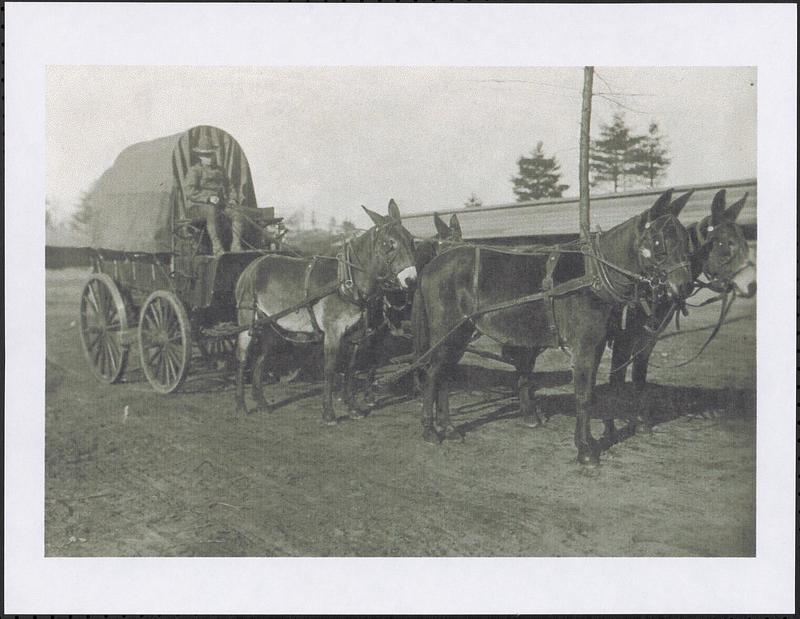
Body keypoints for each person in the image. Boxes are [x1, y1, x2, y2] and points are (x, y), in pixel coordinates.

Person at [184, 136, 235, 255]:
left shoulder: (220, 171)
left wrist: (232, 199)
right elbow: (190, 191)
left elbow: (230, 187)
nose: (209, 158)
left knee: (237, 213)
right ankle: (217, 249)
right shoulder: (195, 171)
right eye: (206, 156)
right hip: (198, 207)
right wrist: (208, 198)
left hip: (219, 205)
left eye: (211, 155)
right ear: (200, 156)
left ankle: (236, 246)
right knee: (211, 211)